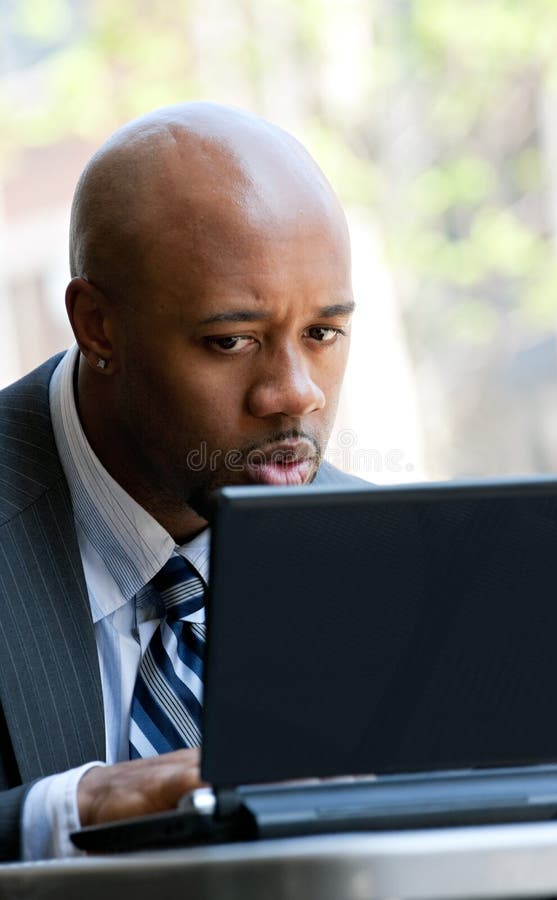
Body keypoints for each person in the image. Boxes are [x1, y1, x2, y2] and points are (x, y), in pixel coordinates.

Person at [0, 101, 360, 861]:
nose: (297, 394)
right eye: (231, 340)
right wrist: (71, 811)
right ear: (98, 327)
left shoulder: (394, 558)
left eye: (322, 333)